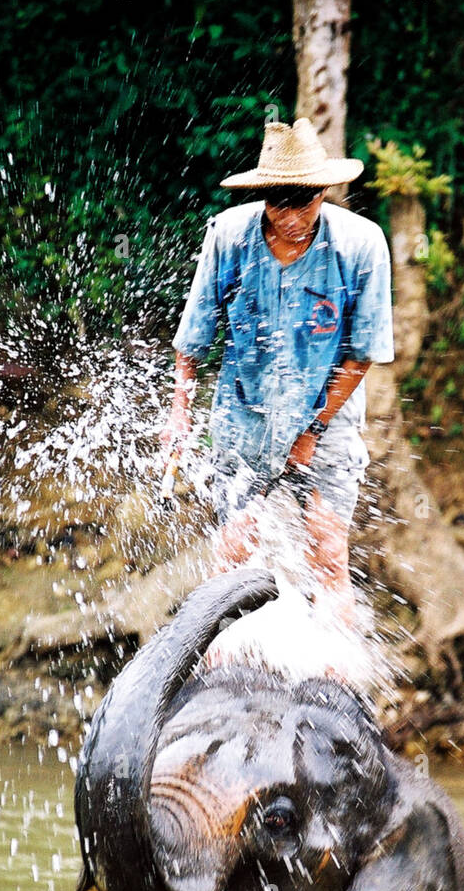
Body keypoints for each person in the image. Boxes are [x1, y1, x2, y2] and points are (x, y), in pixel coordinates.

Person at [159, 117, 394, 621]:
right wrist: (179, 412)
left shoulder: (361, 245)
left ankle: (338, 667)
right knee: (234, 550)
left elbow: (362, 352)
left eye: (304, 200)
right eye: (278, 200)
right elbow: (193, 335)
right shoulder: (227, 236)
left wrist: (311, 430)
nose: (291, 215)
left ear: (324, 192)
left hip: (327, 416)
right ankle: (220, 653)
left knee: (328, 553)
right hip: (246, 415)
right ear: (263, 194)